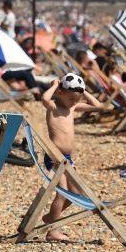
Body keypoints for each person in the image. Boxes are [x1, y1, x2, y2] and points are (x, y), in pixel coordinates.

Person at [39, 73, 104, 242]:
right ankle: (53, 230)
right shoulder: (53, 106)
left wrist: (84, 91)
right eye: (71, 99)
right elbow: (44, 98)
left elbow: (98, 105)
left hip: (67, 158)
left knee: (76, 194)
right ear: (61, 92)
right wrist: (54, 85)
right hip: (54, 156)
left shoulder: (72, 108)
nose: (74, 102)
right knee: (62, 193)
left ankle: (50, 218)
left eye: (76, 100)